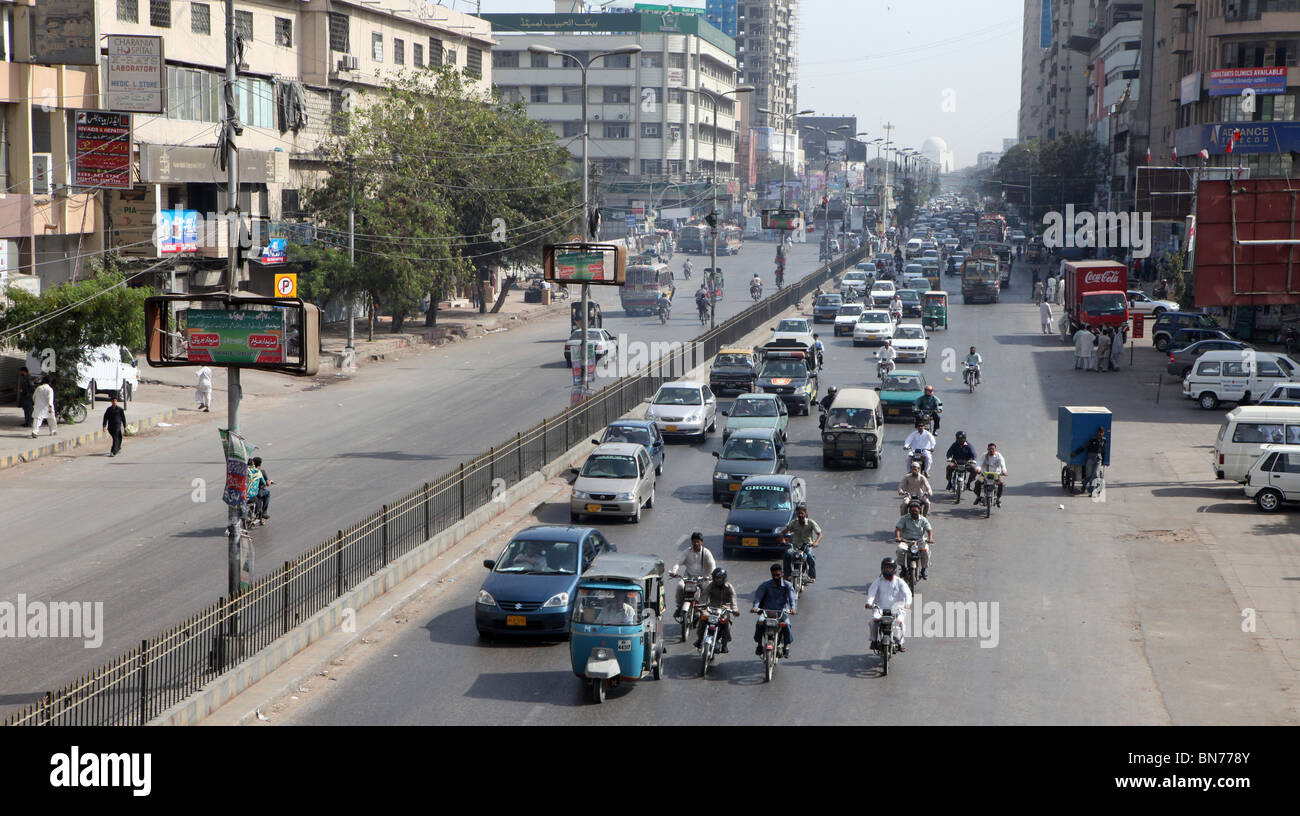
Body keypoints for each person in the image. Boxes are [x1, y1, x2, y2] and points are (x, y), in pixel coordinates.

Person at [866, 558, 913, 651]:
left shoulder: (899, 582)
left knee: (900, 622)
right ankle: (874, 641)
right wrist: (869, 603)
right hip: (880, 608)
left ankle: (900, 643)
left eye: (890, 568)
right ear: (882, 568)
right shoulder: (878, 581)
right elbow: (871, 593)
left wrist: (907, 604)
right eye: (886, 568)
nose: (887, 570)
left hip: (897, 608)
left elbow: (907, 593)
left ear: (894, 569)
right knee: (873, 621)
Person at [751, 564, 797, 657]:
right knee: (759, 622)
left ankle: (786, 646)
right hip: (767, 611)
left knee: (786, 625)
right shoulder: (765, 585)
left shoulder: (788, 585)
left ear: (782, 574)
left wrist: (793, 608)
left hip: (781, 612)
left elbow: (792, 598)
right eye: (774, 575)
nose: (776, 577)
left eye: (778, 575)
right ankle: (759, 645)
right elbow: (758, 597)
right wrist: (755, 607)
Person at [669, 532, 717, 619]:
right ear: (691, 542)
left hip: (703, 579)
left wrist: (711, 575)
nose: (695, 544)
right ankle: (679, 607)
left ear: (701, 542)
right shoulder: (687, 552)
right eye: (694, 541)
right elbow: (677, 562)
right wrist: (674, 571)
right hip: (688, 578)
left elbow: (712, 564)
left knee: (707, 588)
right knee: (680, 586)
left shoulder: (706, 553)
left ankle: (701, 608)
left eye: (697, 542)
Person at [695, 568, 739, 651]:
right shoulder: (711, 585)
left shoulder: (729, 587)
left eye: (719, 578)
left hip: (725, 607)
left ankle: (724, 643)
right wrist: (701, 605)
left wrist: (735, 609)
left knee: (725, 622)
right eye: (715, 578)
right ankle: (700, 639)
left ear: (723, 578)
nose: (717, 580)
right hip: (712, 606)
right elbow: (705, 594)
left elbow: (733, 598)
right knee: (703, 619)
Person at [894, 499, 935, 581]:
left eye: (916, 511)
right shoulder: (904, 518)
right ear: (909, 511)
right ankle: (903, 568)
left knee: (925, 551)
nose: (914, 512)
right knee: (900, 550)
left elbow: (929, 530)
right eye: (912, 511)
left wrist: (930, 538)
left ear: (919, 511)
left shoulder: (923, 520)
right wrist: (897, 537)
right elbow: (898, 529)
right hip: (906, 541)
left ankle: (923, 570)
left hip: (919, 541)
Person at [781, 503, 822, 582]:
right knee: (787, 554)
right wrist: (783, 540)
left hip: (807, 545)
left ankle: (811, 576)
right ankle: (787, 575)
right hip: (796, 545)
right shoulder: (793, 523)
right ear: (796, 514)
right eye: (798, 513)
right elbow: (783, 533)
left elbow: (820, 534)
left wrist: (816, 542)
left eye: (802, 513)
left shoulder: (811, 522)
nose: (800, 515)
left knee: (810, 556)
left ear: (805, 514)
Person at [1072, 426, 1108, 494]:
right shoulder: (1092, 439)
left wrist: (1103, 462)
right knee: (1088, 475)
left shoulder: (1104, 440)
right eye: (1099, 432)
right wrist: (1075, 453)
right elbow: (1084, 447)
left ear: (1103, 433)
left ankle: (1092, 491)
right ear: (1097, 432)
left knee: (1096, 475)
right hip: (1090, 458)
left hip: (1098, 459)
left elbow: (1103, 451)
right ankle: (1084, 486)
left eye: (1102, 433)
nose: (1100, 434)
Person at [973, 442, 1009, 507]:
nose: (991, 450)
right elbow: (979, 463)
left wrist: (1004, 471)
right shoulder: (984, 455)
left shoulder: (999, 456)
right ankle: (978, 497)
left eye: (992, 449)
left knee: (1001, 484)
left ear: (995, 449)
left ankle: (998, 499)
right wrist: (978, 469)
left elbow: (1003, 464)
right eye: (990, 449)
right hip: (985, 475)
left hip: (996, 475)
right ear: (987, 449)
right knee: (977, 483)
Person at [251, 455, 274, 520]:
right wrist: (269, 482)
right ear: (260, 464)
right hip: (257, 492)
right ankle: (264, 512)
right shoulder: (261, 472)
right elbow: (266, 483)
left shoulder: (248, 471)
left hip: (247, 491)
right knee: (268, 493)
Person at [244, 458, 266, 525]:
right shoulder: (258, 472)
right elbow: (264, 483)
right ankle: (258, 516)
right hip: (251, 495)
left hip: (242, 496)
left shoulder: (244, 471)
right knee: (258, 500)